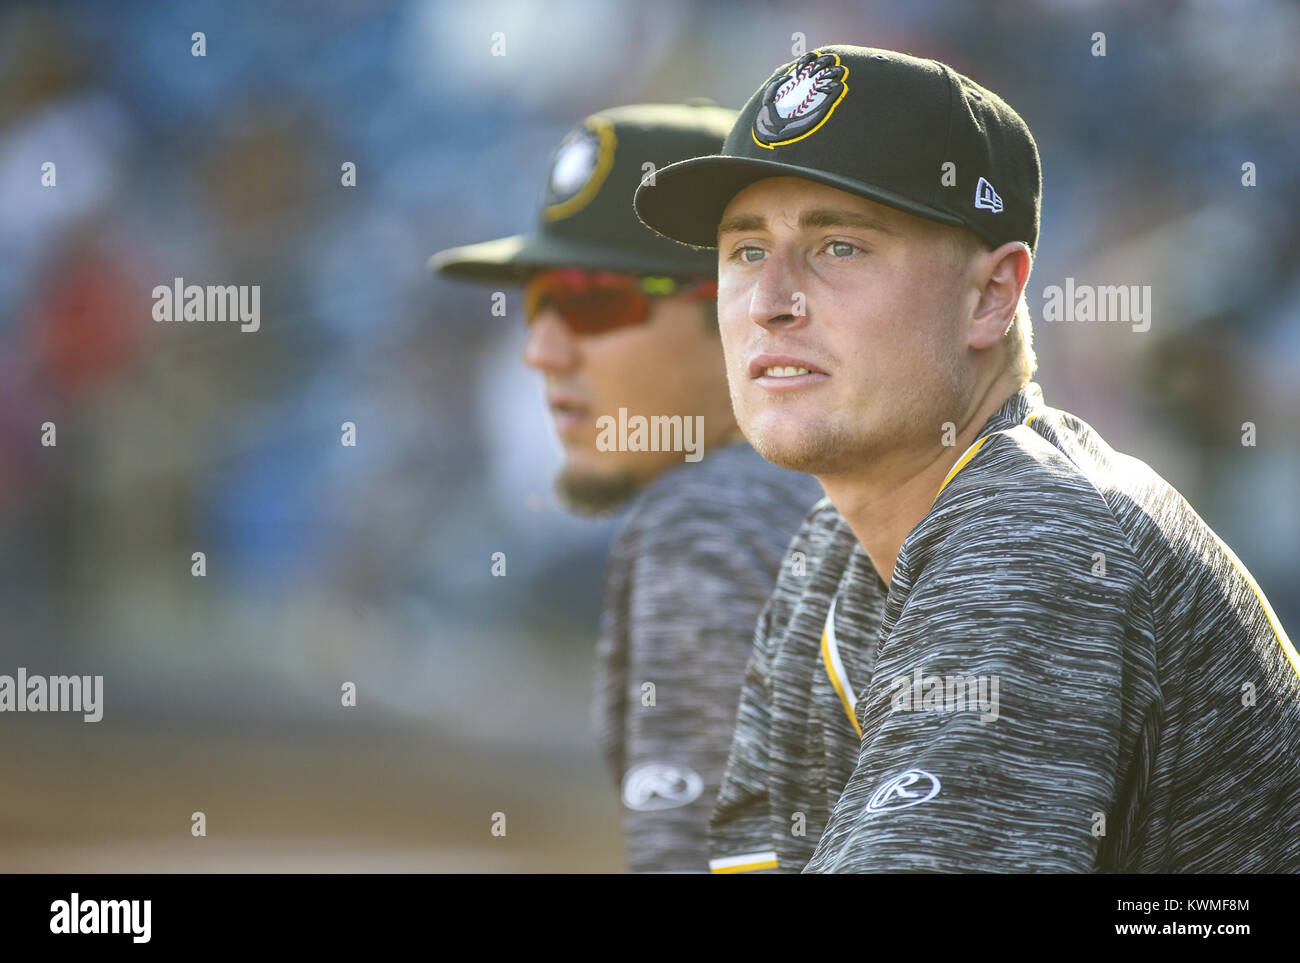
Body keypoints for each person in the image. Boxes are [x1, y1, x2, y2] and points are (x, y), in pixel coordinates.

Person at [633, 45, 1300, 873]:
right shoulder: (827, 557)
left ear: (990, 297)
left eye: (839, 246)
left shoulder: (1037, 531)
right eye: (745, 251)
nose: (771, 302)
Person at [430, 103, 822, 872]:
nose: (540, 351)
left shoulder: (704, 523)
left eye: (589, 300)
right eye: (535, 303)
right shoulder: (871, 484)